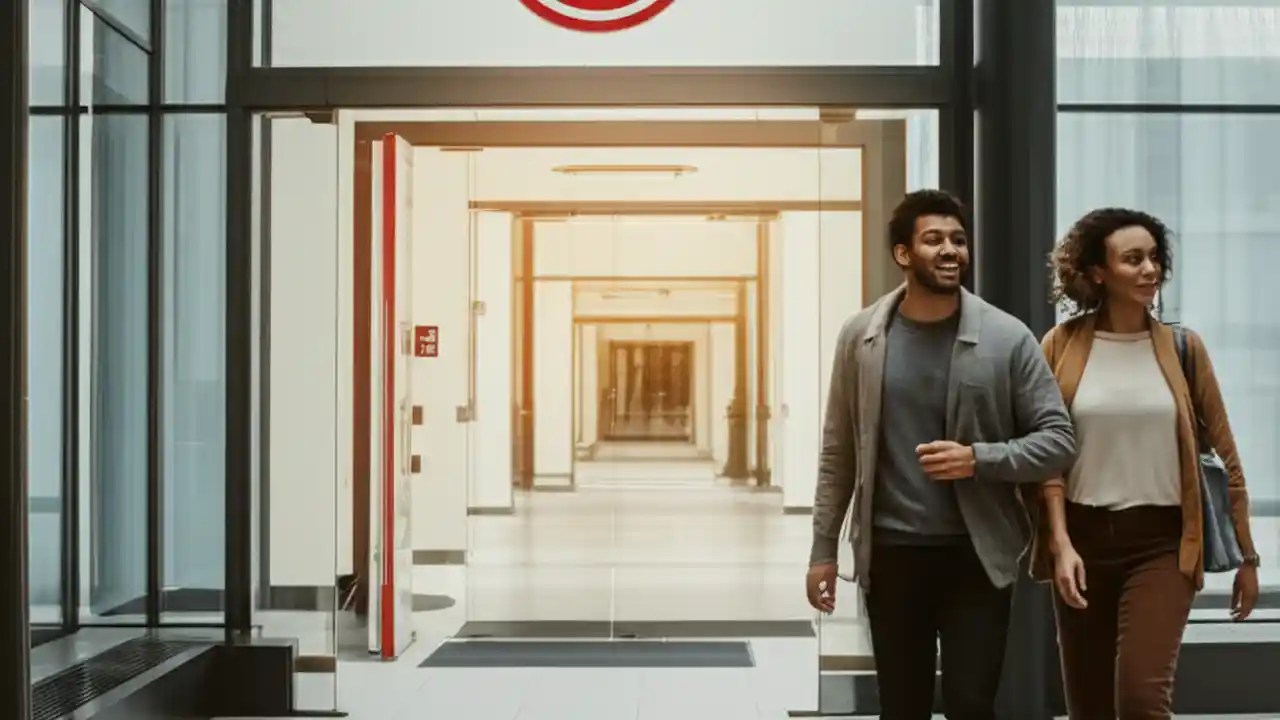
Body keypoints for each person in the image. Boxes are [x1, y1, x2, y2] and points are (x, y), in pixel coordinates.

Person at [805, 189, 1077, 719]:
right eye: (934, 240)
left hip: (976, 558)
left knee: (970, 704)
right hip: (891, 555)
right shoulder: (861, 337)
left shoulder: (1007, 338)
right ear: (903, 254)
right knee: (901, 706)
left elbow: (1058, 439)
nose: (950, 250)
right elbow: (839, 449)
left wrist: (979, 457)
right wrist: (822, 550)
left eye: (958, 239)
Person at [1031, 207, 1262, 719]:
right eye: (1132, 259)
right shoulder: (1060, 346)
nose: (1149, 270)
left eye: (1154, 257)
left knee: (1140, 698)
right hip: (1084, 541)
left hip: (1163, 544)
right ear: (1096, 272)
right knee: (1088, 707)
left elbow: (1228, 456)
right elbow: (1047, 454)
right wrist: (1060, 543)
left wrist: (1249, 557)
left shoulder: (1184, 348)